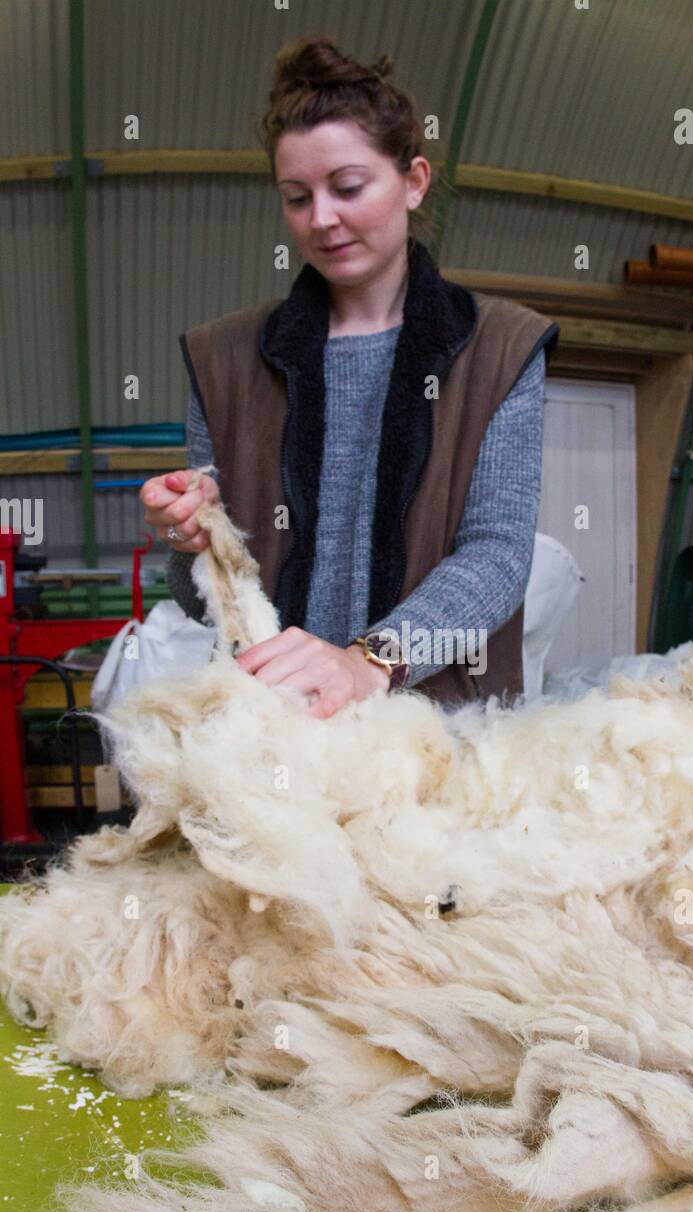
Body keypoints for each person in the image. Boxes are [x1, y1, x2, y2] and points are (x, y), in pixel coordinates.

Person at [140, 35, 559, 720]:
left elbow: (498, 557)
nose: (321, 219)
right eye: (297, 197)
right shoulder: (225, 359)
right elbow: (198, 602)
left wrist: (370, 664)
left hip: (439, 740)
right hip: (276, 735)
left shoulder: (500, 348)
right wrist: (194, 539)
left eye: (348, 187)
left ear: (414, 180)